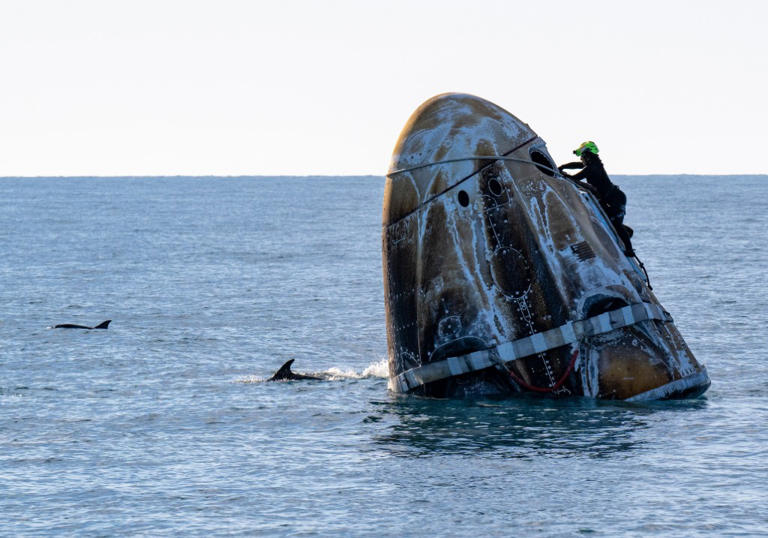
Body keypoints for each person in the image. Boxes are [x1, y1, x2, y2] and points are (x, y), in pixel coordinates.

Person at [558, 141, 635, 257]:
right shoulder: (592, 164)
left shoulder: (593, 167)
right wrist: (562, 167)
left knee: (616, 224)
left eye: (582, 156)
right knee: (611, 222)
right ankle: (628, 233)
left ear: (588, 155)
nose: (581, 159)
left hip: (616, 199)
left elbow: (576, 178)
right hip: (609, 199)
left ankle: (630, 251)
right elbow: (577, 165)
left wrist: (563, 174)